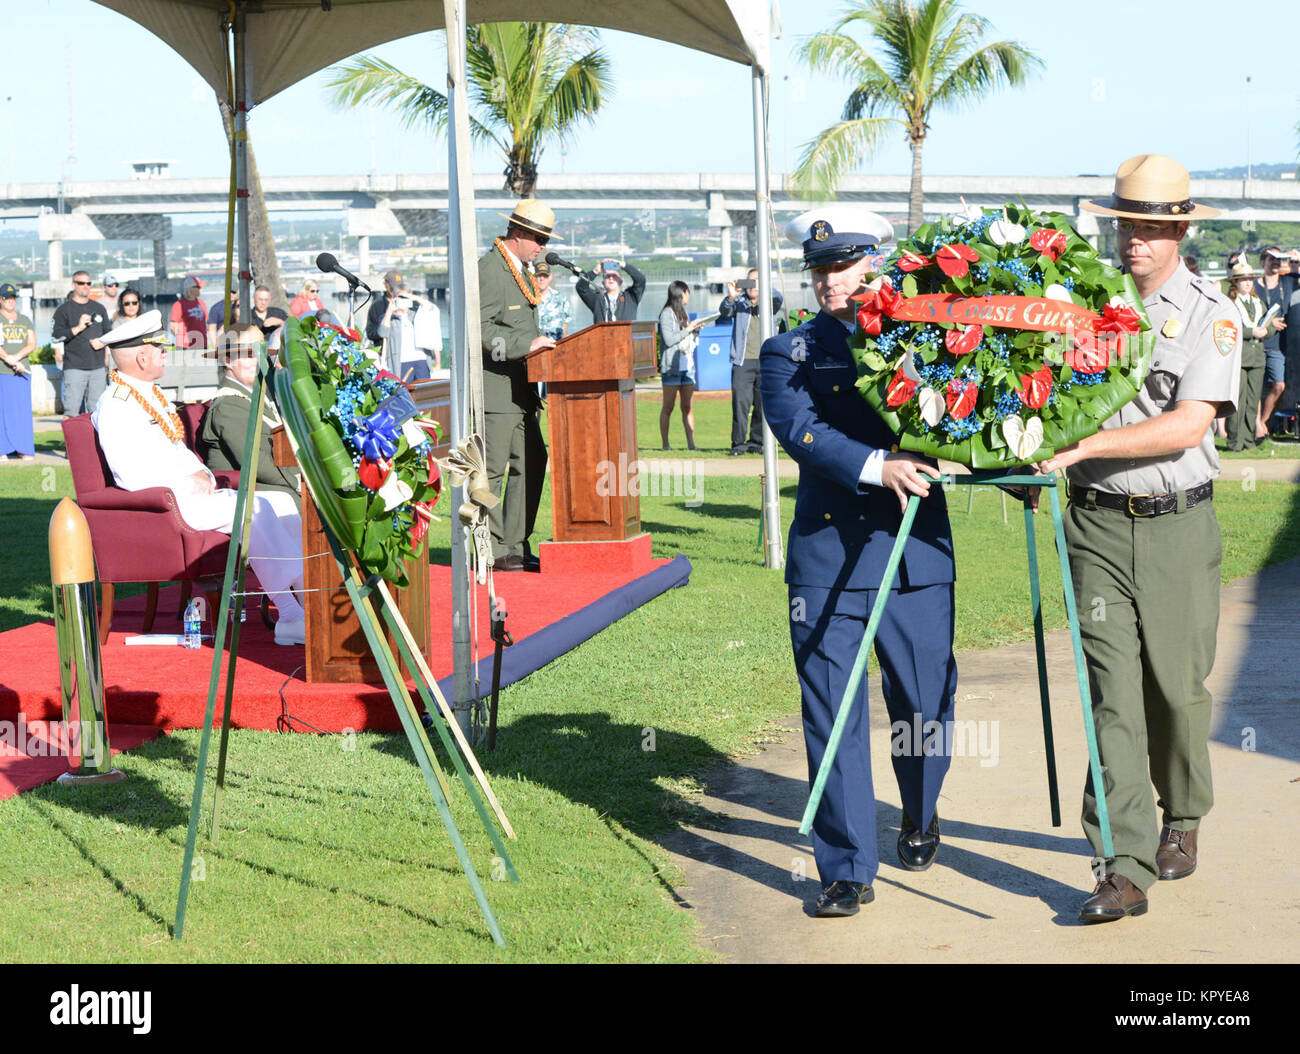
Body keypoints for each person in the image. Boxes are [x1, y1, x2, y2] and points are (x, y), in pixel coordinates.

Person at [1042, 154, 1242, 923]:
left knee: (1176, 693)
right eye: (1129, 225)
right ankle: (1122, 865)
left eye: (1154, 229)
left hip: (1178, 528)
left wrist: (1086, 446)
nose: (1138, 243)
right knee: (1111, 699)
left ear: (1180, 232)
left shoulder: (1209, 314)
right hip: (1094, 525)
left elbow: (1190, 423)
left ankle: (1182, 815)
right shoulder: (1084, 308)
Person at [760, 206, 957, 918]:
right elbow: (798, 429)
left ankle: (921, 807)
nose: (827, 282)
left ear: (875, 262)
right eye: (818, 270)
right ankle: (845, 867)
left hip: (915, 552)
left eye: (842, 266)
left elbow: (971, 412)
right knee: (831, 714)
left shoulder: (928, 340)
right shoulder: (792, 351)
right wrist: (878, 465)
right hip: (828, 555)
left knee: (924, 702)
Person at [93, 311, 307, 645]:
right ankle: (291, 614)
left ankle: (307, 602)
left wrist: (203, 475)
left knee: (278, 502)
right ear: (141, 356)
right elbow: (129, 473)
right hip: (166, 504)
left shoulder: (149, 394)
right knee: (256, 509)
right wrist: (186, 482)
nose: (166, 353)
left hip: (189, 493)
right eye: (159, 347)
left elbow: (179, 452)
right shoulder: (116, 405)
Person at [478, 198, 556, 572]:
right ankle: (491, 550)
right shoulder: (490, 269)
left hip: (523, 389)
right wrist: (524, 346)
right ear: (519, 233)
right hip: (496, 390)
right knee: (492, 472)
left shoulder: (521, 269)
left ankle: (514, 543)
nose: (543, 246)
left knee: (533, 461)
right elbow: (478, 330)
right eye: (539, 238)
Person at [198, 323, 302, 509]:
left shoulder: (258, 396)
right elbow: (255, 460)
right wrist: (298, 482)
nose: (256, 362)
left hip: (266, 481)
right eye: (248, 355)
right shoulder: (228, 403)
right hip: (239, 490)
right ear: (228, 361)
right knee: (296, 501)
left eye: (259, 355)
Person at [719, 267, 784, 456]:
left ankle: (757, 442)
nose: (752, 286)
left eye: (756, 281)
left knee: (762, 404)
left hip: (765, 360)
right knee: (740, 403)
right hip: (743, 361)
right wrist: (731, 296)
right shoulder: (738, 303)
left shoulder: (770, 302)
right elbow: (724, 311)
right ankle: (738, 444)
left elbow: (778, 298)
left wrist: (764, 287)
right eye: (750, 282)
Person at [51, 270, 114, 416]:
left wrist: (102, 343)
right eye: (81, 283)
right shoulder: (63, 310)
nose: (86, 286)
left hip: (97, 368)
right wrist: (78, 328)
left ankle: (93, 440)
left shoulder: (99, 308)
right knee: (71, 412)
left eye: (88, 283)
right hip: (74, 367)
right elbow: (56, 336)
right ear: (73, 285)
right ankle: (70, 440)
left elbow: (108, 334)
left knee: (97, 411)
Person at [1222, 259, 1266, 451]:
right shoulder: (1229, 303)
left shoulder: (1258, 302)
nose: (1248, 283)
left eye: (1250, 279)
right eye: (1244, 280)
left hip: (1257, 357)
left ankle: (1248, 440)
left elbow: (1268, 324)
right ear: (1235, 283)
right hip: (1238, 357)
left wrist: (1269, 330)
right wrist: (1251, 333)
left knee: (1252, 400)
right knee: (1237, 400)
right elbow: (1226, 329)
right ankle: (1234, 441)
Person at [657, 281, 705, 450]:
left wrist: (695, 329)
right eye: (687, 292)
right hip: (671, 367)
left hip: (687, 365)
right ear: (682, 293)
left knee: (687, 406)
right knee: (668, 406)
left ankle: (691, 445)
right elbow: (669, 339)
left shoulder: (682, 312)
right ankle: (665, 444)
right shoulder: (666, 314)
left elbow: (685, 337)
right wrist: (688, 329)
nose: (688, 296)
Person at [1254, 248, 1290, 440]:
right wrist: (1269, 324)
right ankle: (1258, 426)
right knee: (1255, 387)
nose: (1276, 263)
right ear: (1262, 262)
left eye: (1280, 259)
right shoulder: (1253, 285)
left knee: (1279, 385)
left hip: (1277, 346)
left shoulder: (1287, 282)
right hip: (1257, 343)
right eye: (1272, 259)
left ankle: (1264, 421)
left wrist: (1295, 257)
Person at [0, 282, 36, 463]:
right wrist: (9, 359)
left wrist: (17, 357)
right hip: (3, 371)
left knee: (21, 412)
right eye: (6, 298)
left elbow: (32, 343)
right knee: (2, 411)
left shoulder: (24, 320)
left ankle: (23, 448)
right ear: (0, 300)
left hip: (22, 371)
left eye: (13, 297)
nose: (10, 301)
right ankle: (2, 449)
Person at [377, 282, 442, 380]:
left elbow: (432, 309)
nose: (404, 301)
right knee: (404, 393)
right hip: (401, 362)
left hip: (422, 360)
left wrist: (413, 297)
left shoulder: (416, 314)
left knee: (422, 392)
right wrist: (390, 310)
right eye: (401, 298)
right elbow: (382, 332)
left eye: (406, 298)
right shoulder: (388, 318)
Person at [576, 259, 646, 323]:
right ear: (603, 282)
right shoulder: (597, 299)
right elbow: (581, 288)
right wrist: (595, 272)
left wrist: (623, 265)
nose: (611, 278)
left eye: (614, 276)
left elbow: (640, 280)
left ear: (621, 281)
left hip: (626, 335)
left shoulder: (630, 297)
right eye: (607, 276)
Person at [533, 261, 572, 343]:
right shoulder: (528, 299)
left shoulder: (561, 298)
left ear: (550, 277)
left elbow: (565, 327)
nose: (542, 279)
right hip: (536, 348)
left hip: (556, 345)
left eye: (545, 276)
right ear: (534, 277)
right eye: (539, 275)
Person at [168, 275, 208, 353]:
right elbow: (173, 326)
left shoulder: (202, 303)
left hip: (202, 344)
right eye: (198, 287)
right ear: (190, 288)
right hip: (185, 346)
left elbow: (204, 324)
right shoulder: (179, 304)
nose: (201, 289)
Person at [365, 270, 405, 346]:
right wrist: (384, 330)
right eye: (393, 288)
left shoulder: (410, 303)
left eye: (400, 287)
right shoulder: (376, 306)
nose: (396, 291)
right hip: (384, 350)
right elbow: (370, 333)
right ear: (385, 284)